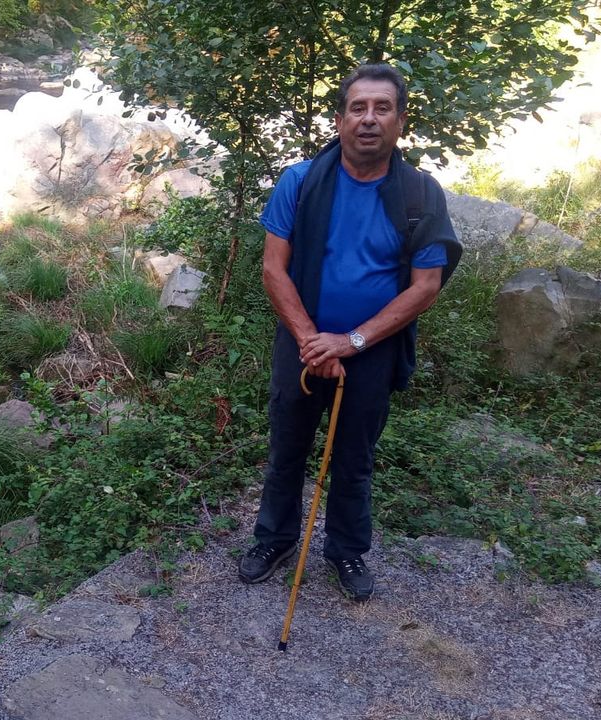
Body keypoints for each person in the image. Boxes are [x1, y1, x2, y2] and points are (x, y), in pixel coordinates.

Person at [237, 63, 462, 601]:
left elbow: (426, 285)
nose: (368, 119)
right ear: (339, 120)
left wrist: (351, 341)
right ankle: (275, 539)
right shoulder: (301, 181)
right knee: (287, 447)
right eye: (357, 108)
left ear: (400, 121)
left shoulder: (419, 195)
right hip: (302, 343)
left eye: (381, 108)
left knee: (354, 458)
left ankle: (346, 550)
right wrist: (313, 340)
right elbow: (273, 268)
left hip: (371, 351)